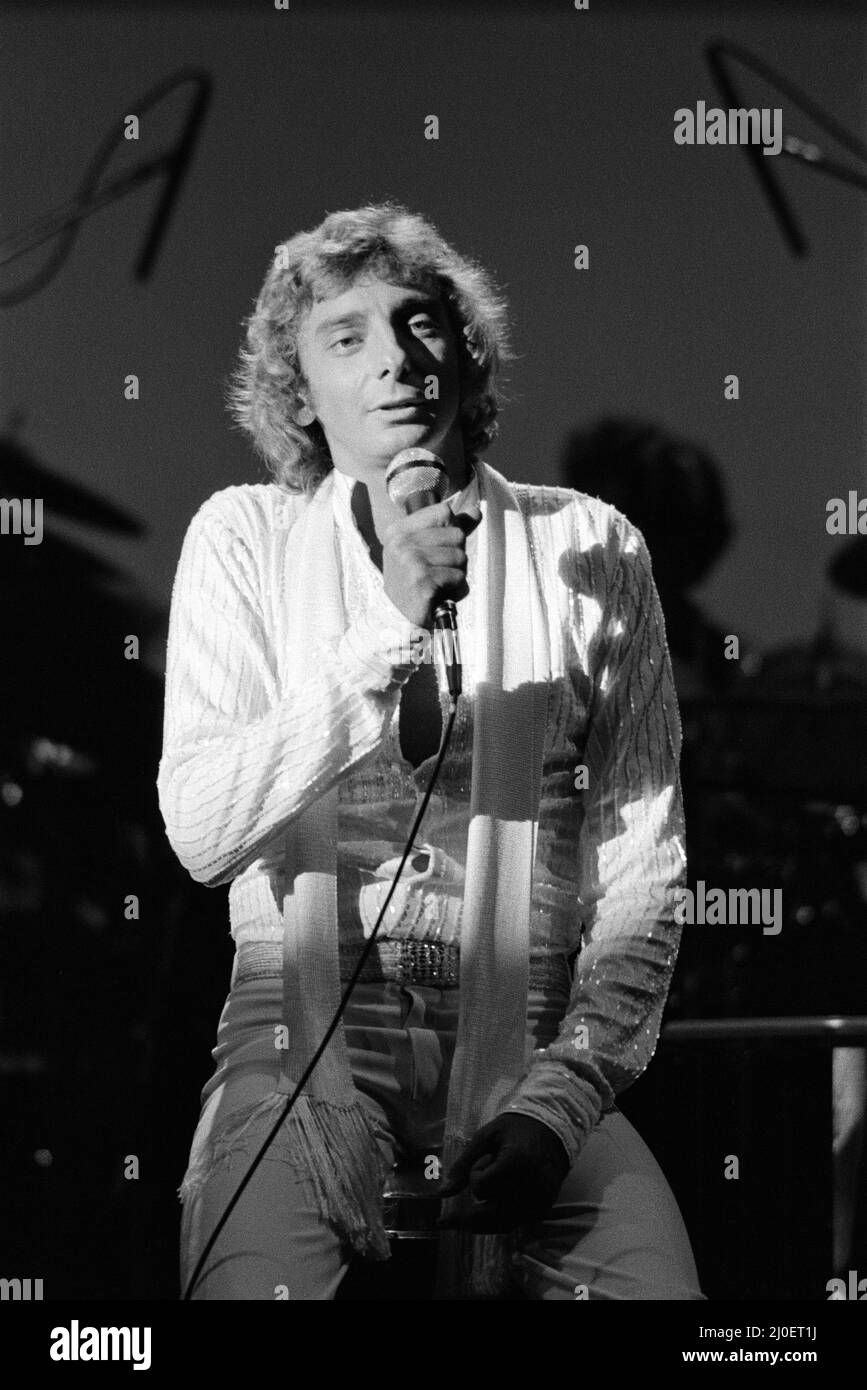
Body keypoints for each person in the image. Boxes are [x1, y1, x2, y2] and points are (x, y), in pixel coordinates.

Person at [156, 202, 704, 1300]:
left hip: (538, 1038)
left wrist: (560, 1103)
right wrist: (387, 626)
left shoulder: (590, 546)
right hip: (295, 1042)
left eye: (420, 322)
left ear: (465, 350)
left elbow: (643, 880)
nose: (396, 357)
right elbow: (202, 830)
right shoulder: (242, 538)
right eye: (345, 335)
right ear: (299, 391)